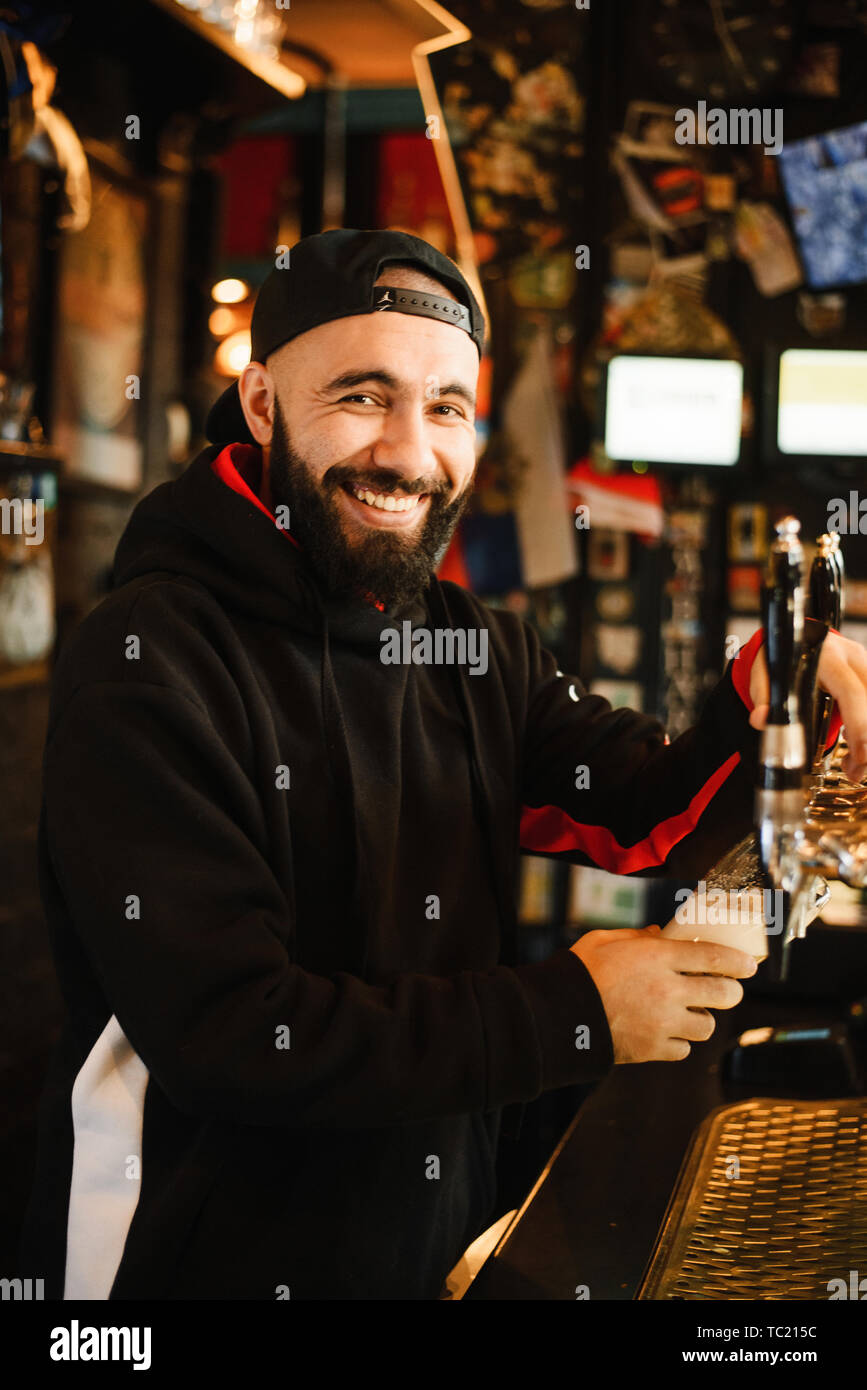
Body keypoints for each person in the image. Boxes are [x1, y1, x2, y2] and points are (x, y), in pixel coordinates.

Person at [21, 229, 867, 1301]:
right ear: (264, 403)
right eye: (363, 397)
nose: (410, 454)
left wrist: (780, 679)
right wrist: (571, 1011)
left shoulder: (473, 646)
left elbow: (647, 811)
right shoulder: (148, 660)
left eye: (448, 407)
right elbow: (228, 1034)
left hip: (422, 1248)